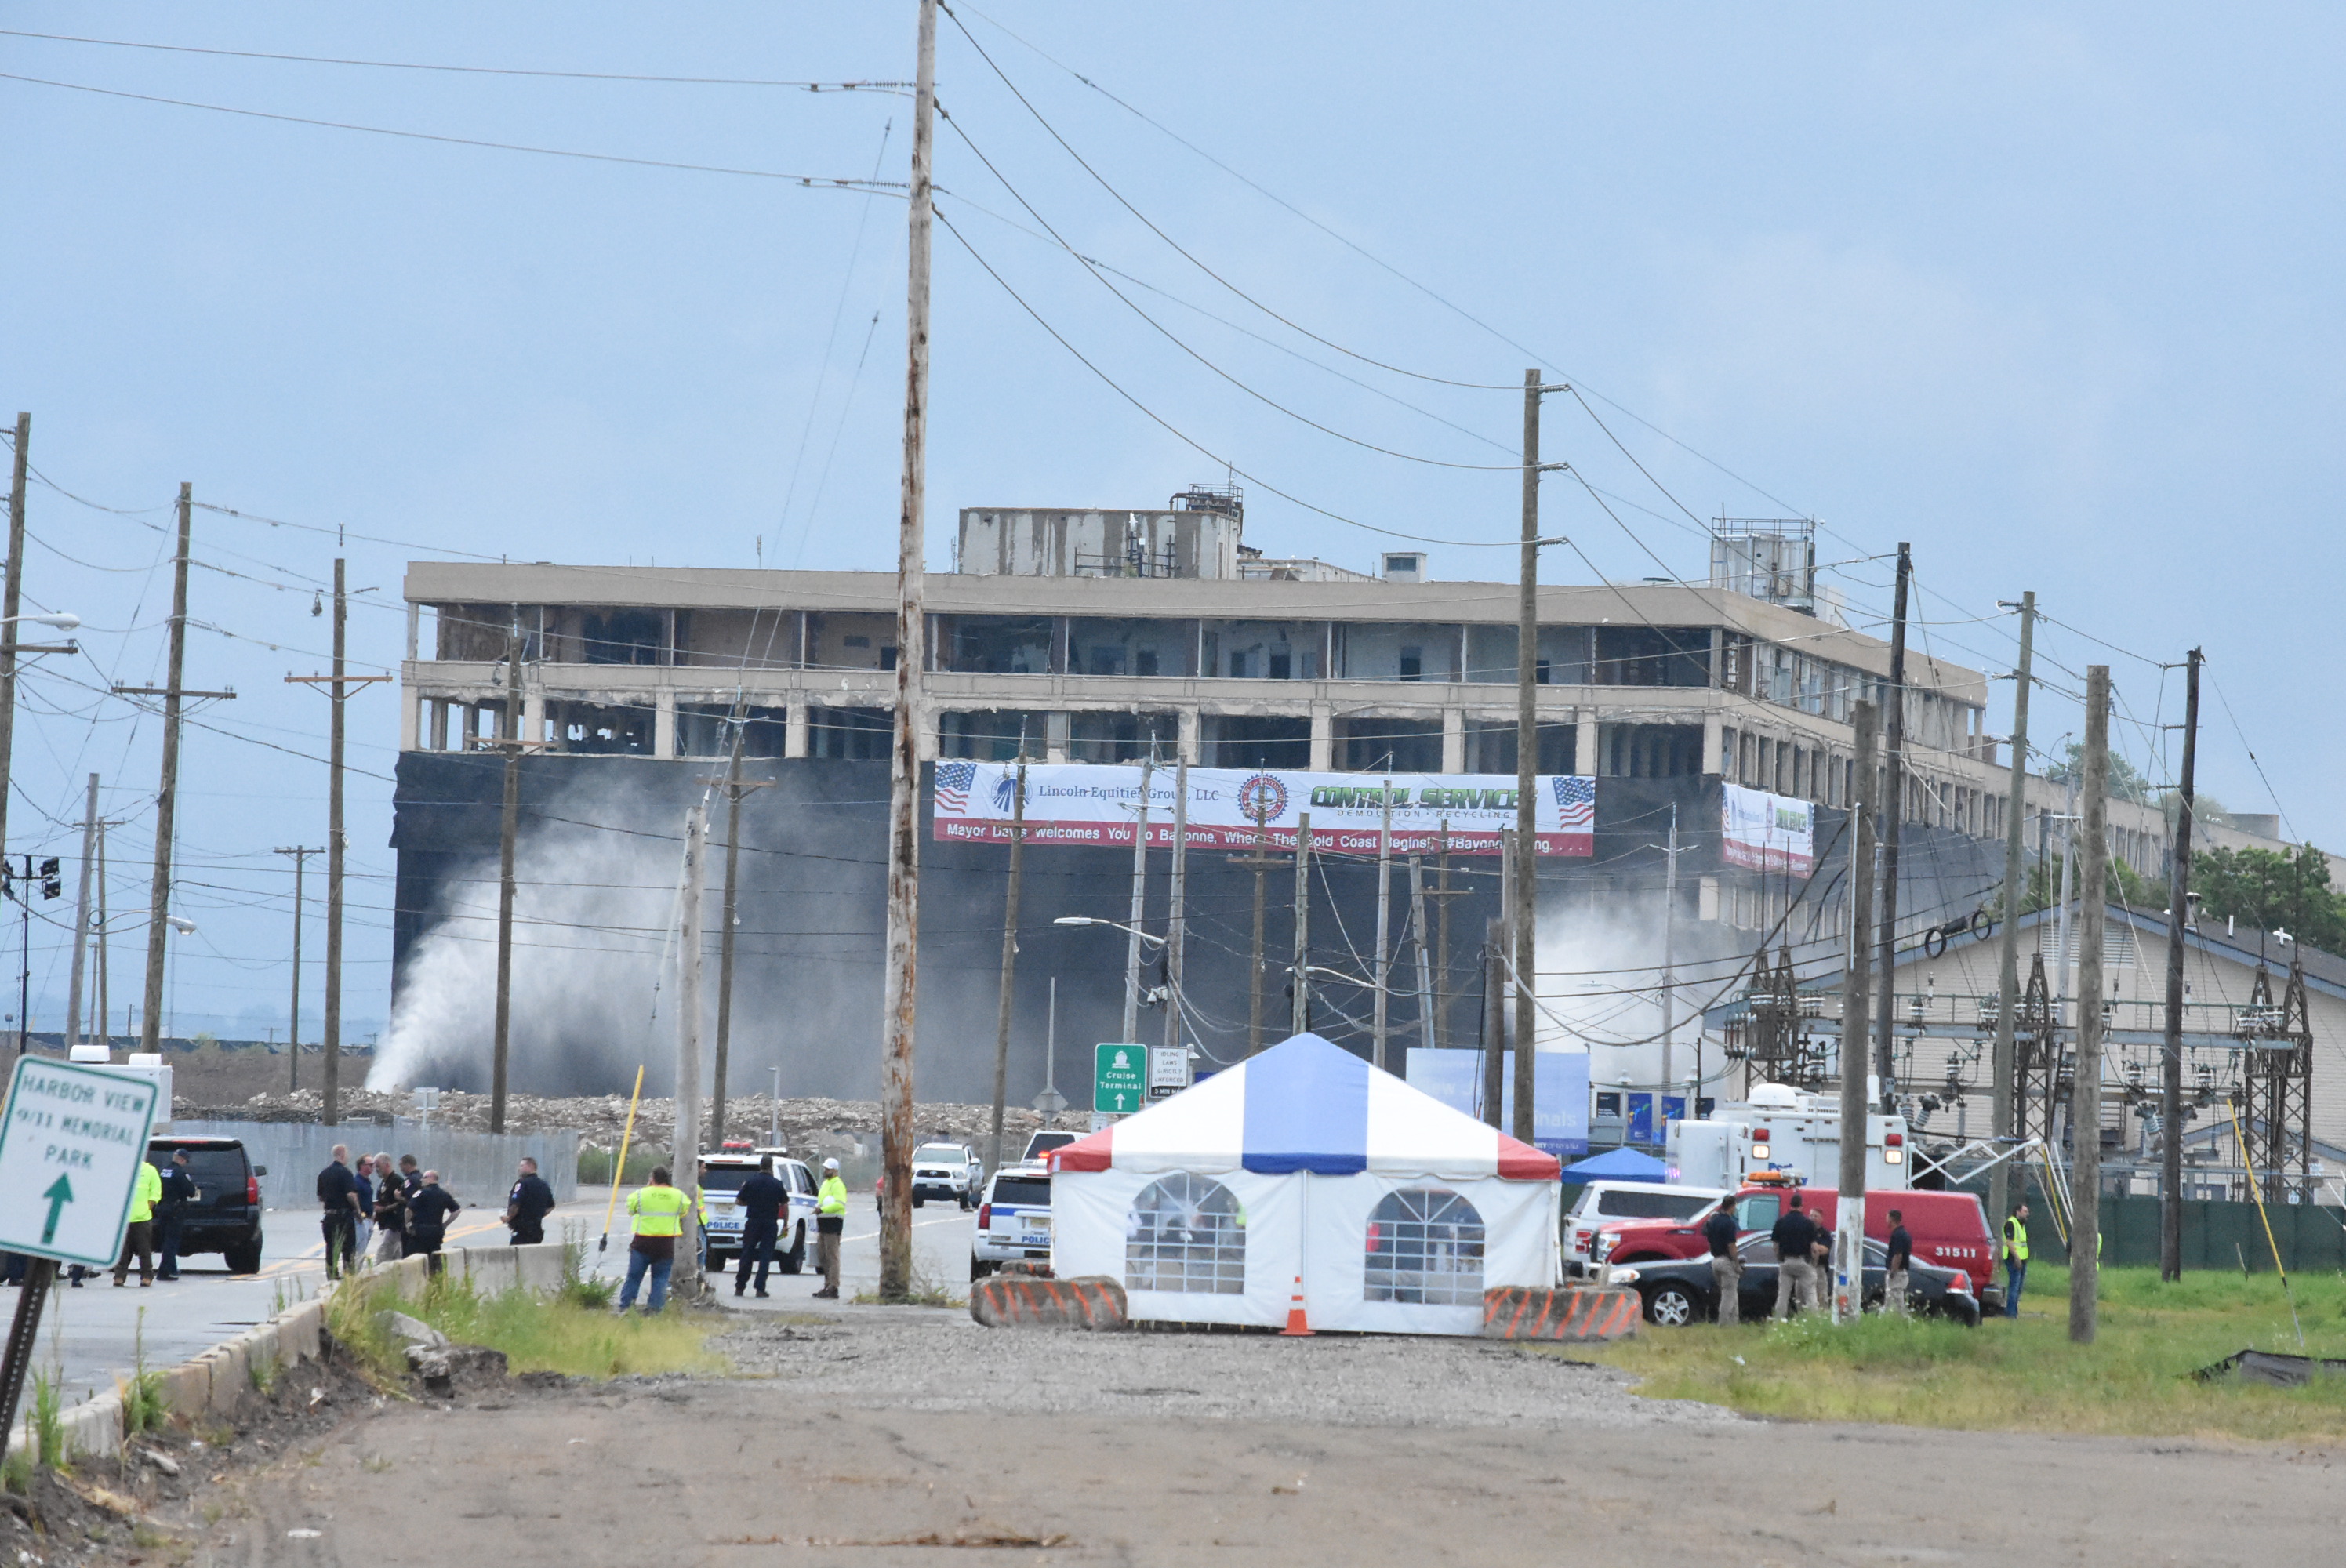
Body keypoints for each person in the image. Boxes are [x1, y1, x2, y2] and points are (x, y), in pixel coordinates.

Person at [619, 1166, 692, 1312]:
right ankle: (655, 1309)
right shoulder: (678, 1195)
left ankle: (626, 1306)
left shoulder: (640, 1194)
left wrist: (648, 1189)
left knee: (634, 1276)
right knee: (660, 1278)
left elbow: (631, 1210)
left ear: (652, 1179)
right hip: (665, 1244)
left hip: (642, 1243)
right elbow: (684, 1212)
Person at [732, 1156, 790, 1298]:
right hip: (770, 1223)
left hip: (753, 1222)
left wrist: (751, 1204)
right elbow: (784, 1204)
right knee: (765, 1256)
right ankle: (760, 1288)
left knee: (747, 1253)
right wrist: (786, 1224)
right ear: (771, 1167)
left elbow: (738, 1201)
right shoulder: (777, 1184)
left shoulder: (751, 1182)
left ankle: (740, 1287)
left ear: (760, 1166)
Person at [315, 1144, 365, 1281]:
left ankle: (331, 1276)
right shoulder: (345, 1173)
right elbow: (351, 1195)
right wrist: (358, 1211)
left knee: (331, 1248)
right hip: (344, 1217)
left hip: (329, 1217)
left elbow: (320, 1196)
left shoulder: (324, 1174)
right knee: (348, 1248)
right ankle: (349, 1277)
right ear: (342, 1154)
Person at [114, 1154, 164, 1287]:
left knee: (144, 1249)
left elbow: (156, 1192)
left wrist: (148, 1208)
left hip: (142, 1218)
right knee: (122, 1250)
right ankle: (119, 1276)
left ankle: (147, 1276)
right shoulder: (123, 1170)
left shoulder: (150, 1171)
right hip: (123, 1218)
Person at [1770, 1193, 1818, 1321]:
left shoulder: (1781, 1222)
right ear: (1802, 1206)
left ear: (1790, 1206)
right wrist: (1813, 1264)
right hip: (1803, 1262)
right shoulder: (1808, 1223)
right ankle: (1814, 1321)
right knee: (1810, 1295)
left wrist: (1780, 1259)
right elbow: (1814, 1248)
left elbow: (1775, 1246)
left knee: (1783, 1295)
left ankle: (1778, 1321)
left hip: (1787, 1262)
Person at [155, 1149, 199, 1282]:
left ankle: (172, 1269)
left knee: (167, 1241)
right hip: (175, 1211)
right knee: (172, 1242)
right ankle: (164, 1272)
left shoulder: (164, 1171)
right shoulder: (180, 1173)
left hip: (163, 1209)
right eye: (185, 1161)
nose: (185, 1164)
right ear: (181, 1159)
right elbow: (191, 1191)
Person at [406, 1170, 460, 1273]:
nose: (422, 1180)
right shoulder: (444, 1194)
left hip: (420, 1233)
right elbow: (456, 1211)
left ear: (431, 1178)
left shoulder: (421, 1193)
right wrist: (445, 1224)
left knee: (415, 1261)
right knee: (434, 1262)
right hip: (436, 1233)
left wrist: (408, 1224)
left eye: (424, 1178)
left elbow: (408, 1210)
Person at [1702, 1200, 1742, 1326]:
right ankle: (1723, 1324)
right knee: (1728, 1296)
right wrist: (1736, 1263)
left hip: (1715, 1260)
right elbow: (1732, 1245)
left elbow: (1709, 1242)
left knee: (1731, 1292)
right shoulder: (1729, 1223)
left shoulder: (1713, 1221)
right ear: (1732, 1206)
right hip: (1726, 1261)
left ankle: (1734, 1323)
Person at [814, 1156, 848, 1300]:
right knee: (823, 1256)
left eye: (828, 1169)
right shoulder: (825, 1184)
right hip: (823, 1223)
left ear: (834, 1170)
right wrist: (818, 1208)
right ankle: (827, 1284)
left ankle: (834, 1286)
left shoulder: (838, 1184)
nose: (825, 1171)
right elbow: (822, 1201)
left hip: (833, 1223)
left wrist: (823, 1210)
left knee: (832, 1256)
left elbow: (840, 1204)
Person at [505, 1156, 557, 1247]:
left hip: (522, 1230)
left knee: (517, 1256)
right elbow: (551, 1206)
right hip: (537, 1231)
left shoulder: (522, 1184)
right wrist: (538, 1215)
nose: (519, 1169)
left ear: (530, 1167)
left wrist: (508, 1218)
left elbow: (515, 1205)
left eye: (521, 1166)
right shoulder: (543, 1185)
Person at [370, 1152, 407, 1264]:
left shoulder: (397, 1181)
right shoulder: (382, 1183)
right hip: (385, 1224)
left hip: (394, 1225)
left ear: (387, 1165)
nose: (376, 1169)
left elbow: (402, 1202)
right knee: (395, 1258)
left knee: (383, 1256)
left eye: (378, 1166)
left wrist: (385, 1209)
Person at [2002, 1203, 2030, 1317]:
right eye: (2025, 1212)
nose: (2027, 1214)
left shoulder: (2021, 1224)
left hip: (2022, 1259)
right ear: (2018, 1212)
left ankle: (2014, 1311)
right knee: (2014, 1286)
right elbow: (2009, 1242)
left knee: (2018, 1287)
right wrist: (2017, 1258)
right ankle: (2010, 1314)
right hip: (2014, 1259)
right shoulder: (2011, 1223)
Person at [1884, 1208, 1914, 1317]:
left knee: (1896, 1299)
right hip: (1901, 1272)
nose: (1886, 1220)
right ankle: (1888, 1319)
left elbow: (1898, 1255)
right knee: (1893, 1300)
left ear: (1892, 1219)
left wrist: (1893, 1271)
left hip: (1898, 1273)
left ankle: (1905, 1321)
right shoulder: (1904, 1234)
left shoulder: (1898, 1235)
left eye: (1887, 1217)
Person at [351, 1156, 377, 1263]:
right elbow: (354, 1200)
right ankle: (354, 1275)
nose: (373, 1167)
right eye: (370, 1165)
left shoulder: (366, 1182)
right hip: (361, 1220)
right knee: (359, 1251)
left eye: (373, 1165)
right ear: (362, 1166)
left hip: (369, 1219)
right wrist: (360, 1215)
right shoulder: (357, 1182)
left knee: (362, 1249)